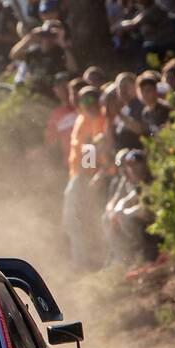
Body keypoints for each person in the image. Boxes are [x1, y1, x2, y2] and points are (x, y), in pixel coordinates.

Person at [64, 86, 107, 267]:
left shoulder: (100, 120)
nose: (88, 104)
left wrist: (87, 177)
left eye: (91, 100)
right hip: (78, 175)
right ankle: (80, 260)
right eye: (83, 101)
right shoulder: (81, 119)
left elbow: (90, 151)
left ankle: (93, 260)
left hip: (90, 177)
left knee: (90, 219)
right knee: (72, 220)